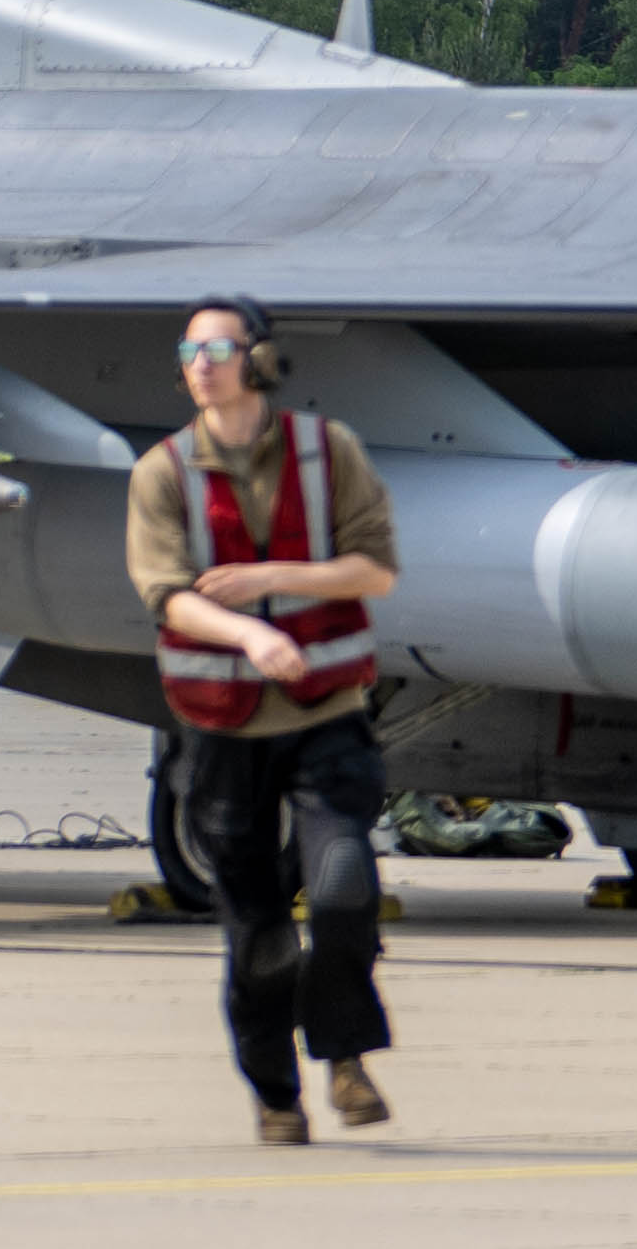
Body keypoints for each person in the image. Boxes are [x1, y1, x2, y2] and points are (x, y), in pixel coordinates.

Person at [127, 298, 403, 1145]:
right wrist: (249, 629)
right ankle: (275, 1095)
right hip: (220, 731)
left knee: (343, 886)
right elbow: (165, 595)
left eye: (217, 347)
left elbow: (376, 571)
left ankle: (346, 1056)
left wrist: (278, 578)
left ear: (261, 360)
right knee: (257, 935)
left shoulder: (330, 452)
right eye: (189, 350)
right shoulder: (163, 471)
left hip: (326, 713)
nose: (201, 362)